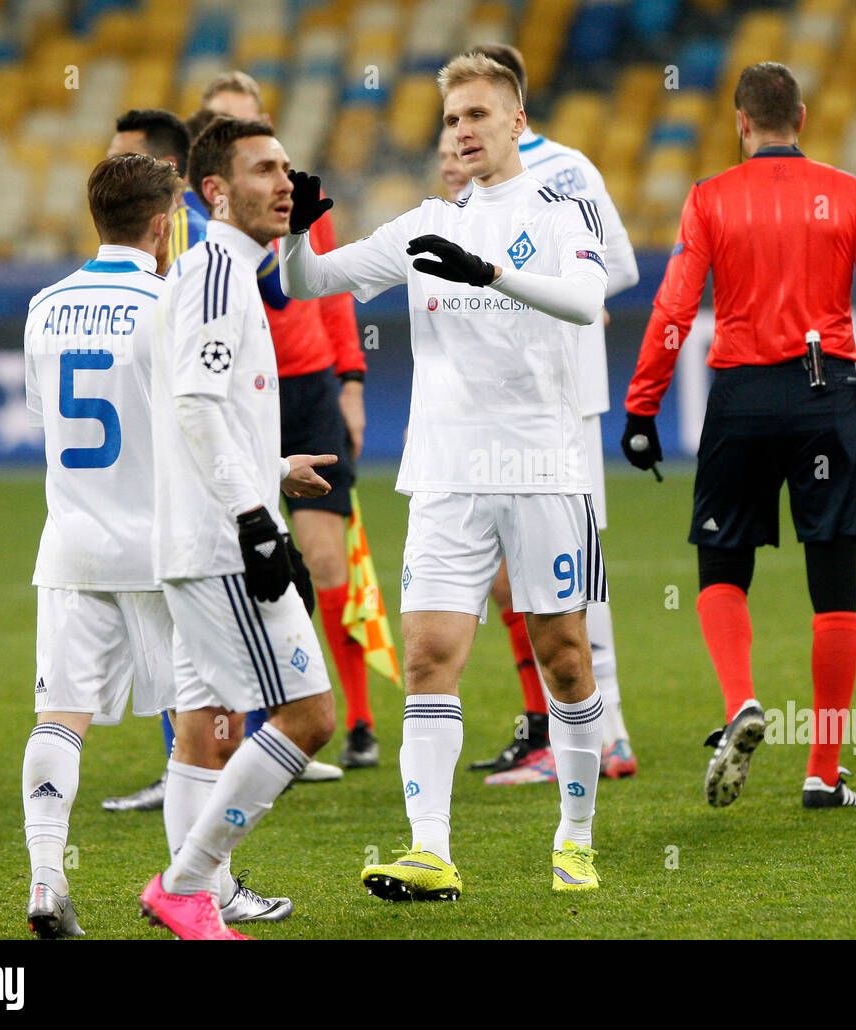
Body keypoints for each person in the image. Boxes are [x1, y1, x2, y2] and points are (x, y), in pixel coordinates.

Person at [282, 52, 610, 896]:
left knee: (564, 656)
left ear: (517, 124)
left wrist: (493, 273)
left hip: (544, 465)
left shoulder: (561, 208)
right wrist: (294, 230)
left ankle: (574, 835)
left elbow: (586, 299)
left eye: (477, 115)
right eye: (451, 118)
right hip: (448, 471)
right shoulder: (426, 223)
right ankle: (431, 849)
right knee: (429, 654)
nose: (461, 130)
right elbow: (312, 282)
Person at [622, 62, 856, 810]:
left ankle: (740, 703)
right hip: (828, 396)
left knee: (722, 564)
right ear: (803, 116)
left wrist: (640, 406)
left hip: (743, 399)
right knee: (835, 584)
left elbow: (671, 308)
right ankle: (823, 771)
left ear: (740, 122)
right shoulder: (852, 195)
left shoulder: (710, 199)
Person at [101, 102, 343, 814]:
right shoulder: (215, 273)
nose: (285, 183)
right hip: (222, 545)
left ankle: (205, 895)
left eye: (284, 168)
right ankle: (185, 882)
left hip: (200, 539)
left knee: (209, 734)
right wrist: (254, 518)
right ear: (214, 191)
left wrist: (270, 471)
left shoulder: (224, 269)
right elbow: (197, 407)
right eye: (264, 169)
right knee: (309, 718)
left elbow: (201, 409)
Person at [460, 43, 640, 785]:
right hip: (504, 404)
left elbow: (618, 266)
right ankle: (586, 734)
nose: (465, 125)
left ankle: (606, 736)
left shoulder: (562, 172)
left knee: (568, 576)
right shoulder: (477, 182)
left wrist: (569, 294)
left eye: (476, 109)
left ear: (511, 104)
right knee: (531, 575)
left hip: (558, 400)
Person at [21, 153, 181, 937]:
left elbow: (44, 421)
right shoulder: (170, 299)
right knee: (201, 718)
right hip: (162, 550)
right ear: (161, 225)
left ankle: (47, 880)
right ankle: (200, 888)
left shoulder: (45, 306)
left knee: (59, 718)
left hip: (73, 546)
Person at [205, 72, 379, 771]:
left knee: (327, 559)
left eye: (242, 123)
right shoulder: (192, 215)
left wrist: (353, 384)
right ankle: (265, 721)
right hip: (232, 396)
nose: (230, 135)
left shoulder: (297, 197)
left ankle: (358, 717)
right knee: (238, 563)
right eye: (215, 126)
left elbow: (333, 298)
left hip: (306, 390)